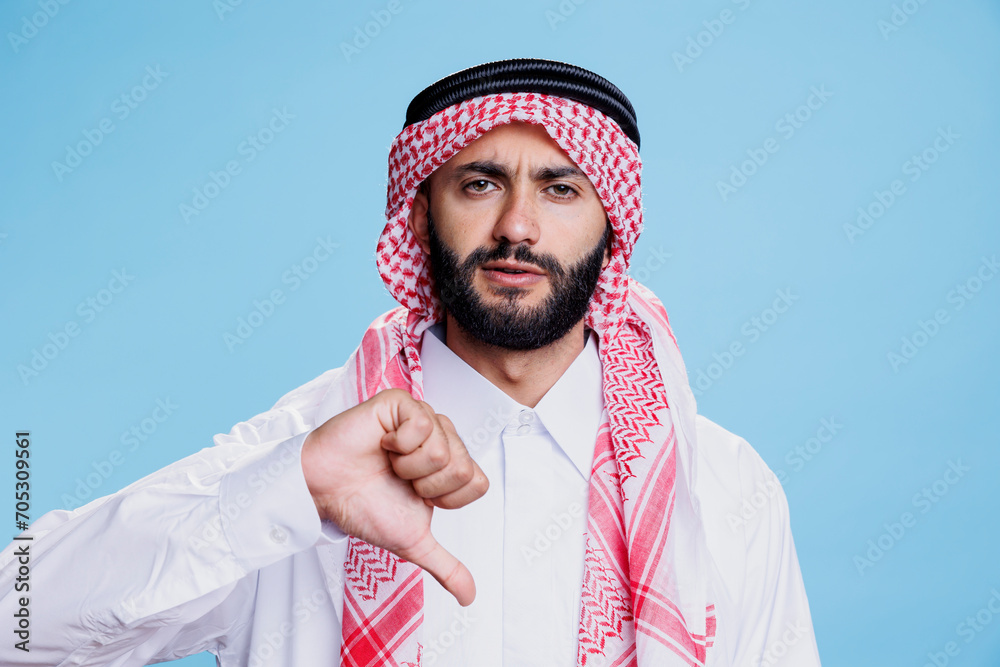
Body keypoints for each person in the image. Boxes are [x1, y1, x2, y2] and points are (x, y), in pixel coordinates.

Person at [0, 58, 822, 667]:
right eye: (479, 183)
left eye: (562, 189)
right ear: (422, 213)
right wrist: (292, 491)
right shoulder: (302, 452)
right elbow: (18, 619)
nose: (518, 227)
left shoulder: (721, 487)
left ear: (615, 226)